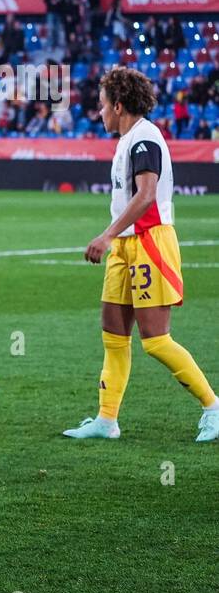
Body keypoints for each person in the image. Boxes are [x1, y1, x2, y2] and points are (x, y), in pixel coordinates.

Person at [65, 67, 219, 441]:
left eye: (102, 106)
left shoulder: (145, 138)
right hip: (126, 245)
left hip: (149, 241)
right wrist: (115, 239)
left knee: (155, 339)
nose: (98, 113)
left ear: (118, 105)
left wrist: (106, 235)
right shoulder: (129, 139)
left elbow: (146, 195)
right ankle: (106, 420)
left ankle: (213, 407)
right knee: (114, 336)